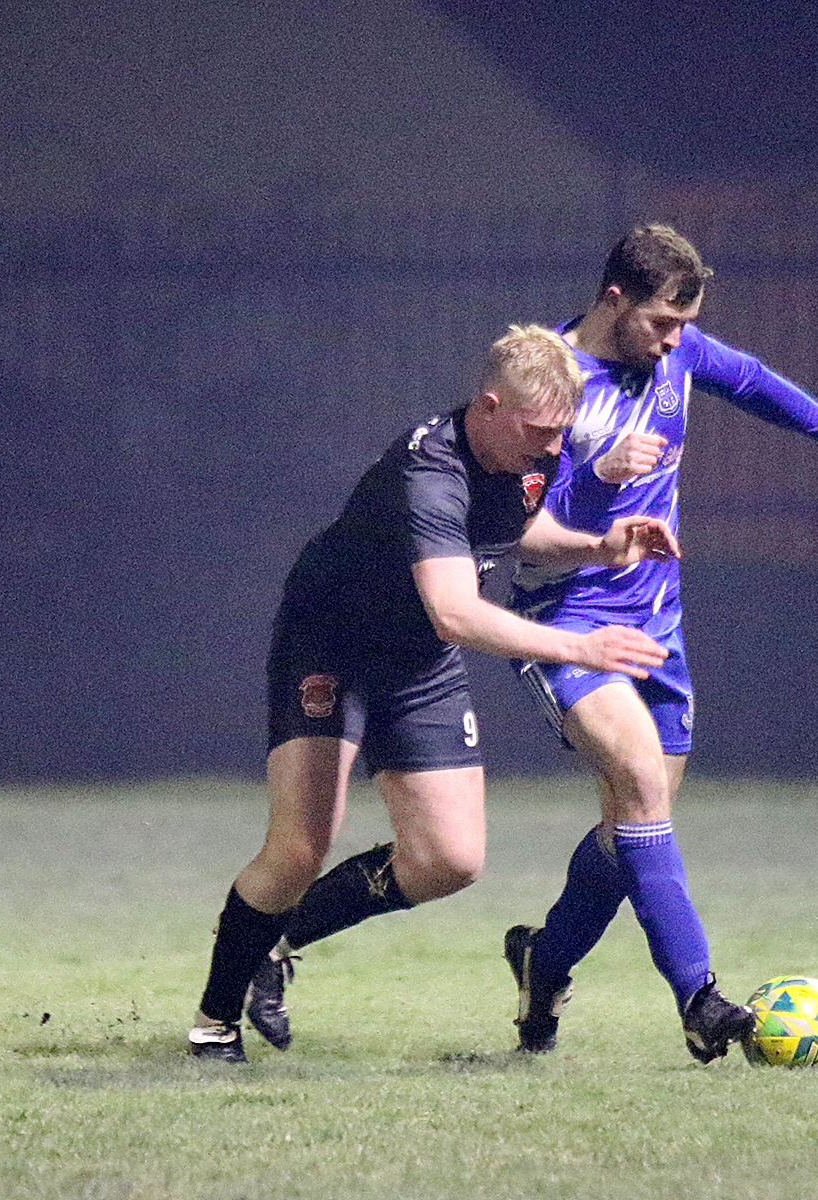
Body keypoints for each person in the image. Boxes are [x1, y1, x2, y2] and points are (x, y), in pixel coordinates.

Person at [187, 324, 680, 1062]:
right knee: (299, 848)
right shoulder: (428, 473)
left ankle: (277, 942)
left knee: (449, 859)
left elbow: (512, 528)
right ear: (488, 406)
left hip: (417, 659)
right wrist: (580, 646)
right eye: (539, 431)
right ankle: (214, 1021)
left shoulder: (527, 455)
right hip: (332, 644)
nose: (551, 448)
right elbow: (455, 608)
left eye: (560, 434)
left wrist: (597, 547)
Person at [499, 224, 818, 1063]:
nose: (676, 343)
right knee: (638, 783)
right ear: (614, 301)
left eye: (684, 326)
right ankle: (700, 999)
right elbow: (519, 534)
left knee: (633, 823)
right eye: (662, 324)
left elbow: (751, 382)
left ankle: (543, 961)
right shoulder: (550, 383)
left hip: (657, 626)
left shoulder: (676, 352)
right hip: (566, 623)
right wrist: (593, 479)